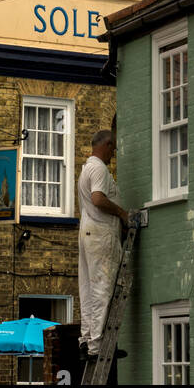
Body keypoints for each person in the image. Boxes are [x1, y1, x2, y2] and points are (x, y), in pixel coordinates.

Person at [77, 129, 129, 358]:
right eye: (113, 148)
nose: (114, 154)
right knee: (102, 287)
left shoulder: (86, 169)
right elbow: (98, 199)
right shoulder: (99, 168)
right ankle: (97, 345)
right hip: (100, 233)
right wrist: (122, 213)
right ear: (107, 145)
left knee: (88, 287)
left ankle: (86, 338)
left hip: (87, 231)